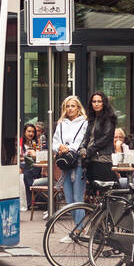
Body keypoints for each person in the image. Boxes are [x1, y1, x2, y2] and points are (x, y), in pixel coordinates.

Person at [54, 96, 89, 224]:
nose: (70, 109)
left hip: (78, 163)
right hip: (66, 164)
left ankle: (79, 229)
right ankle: (77, 228)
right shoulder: (61, 124)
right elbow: (54, 142)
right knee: (68, 198)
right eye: (67, 106)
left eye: (72, 106)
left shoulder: (84, 123)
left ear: (78, 108)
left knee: (77, 197)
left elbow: (81, 140)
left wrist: (68, 148)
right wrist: (59, 147)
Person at [85, 92, 117, 184]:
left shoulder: (109, 118)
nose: (96, 104)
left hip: (102, 159)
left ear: (104, 103)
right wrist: (82, 148)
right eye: (94, 101)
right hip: (90, 159)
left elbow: (105, 139)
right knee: (93, 191)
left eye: (99, 101)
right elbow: (87, 137)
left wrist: (89, 150)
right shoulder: (92, 119)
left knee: (105, 190)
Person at [20, 122, 43, 201]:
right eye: (29, 131)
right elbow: (16, 159)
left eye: (33, 132)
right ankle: (30, 200)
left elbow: (40, 158)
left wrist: (34, 155)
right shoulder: (19, 143)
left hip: (34, 166)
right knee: (25, 172)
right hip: (23, 166)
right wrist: (27, 157)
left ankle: (30, 200)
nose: (31, 134)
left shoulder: (36, 144)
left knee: (27, 172)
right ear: (24, 132)